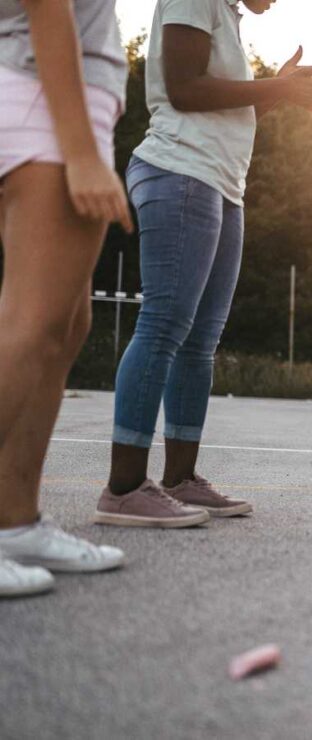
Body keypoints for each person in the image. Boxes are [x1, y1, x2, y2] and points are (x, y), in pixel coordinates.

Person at [96, 0, 312, 527]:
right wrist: (278, 86)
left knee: (199, 342)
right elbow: (186, 90)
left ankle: (180, 479)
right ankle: (124, 489)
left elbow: (230, 112)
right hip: (179, 171)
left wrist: (278, 90)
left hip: (220, 184)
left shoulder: (227, 16)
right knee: (164, 325)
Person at [0, 0, 133, 597]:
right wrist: (79, 150)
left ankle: (14, 519)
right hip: (48, 101)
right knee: (31, 326)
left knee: (64, 325)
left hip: (53, 97)